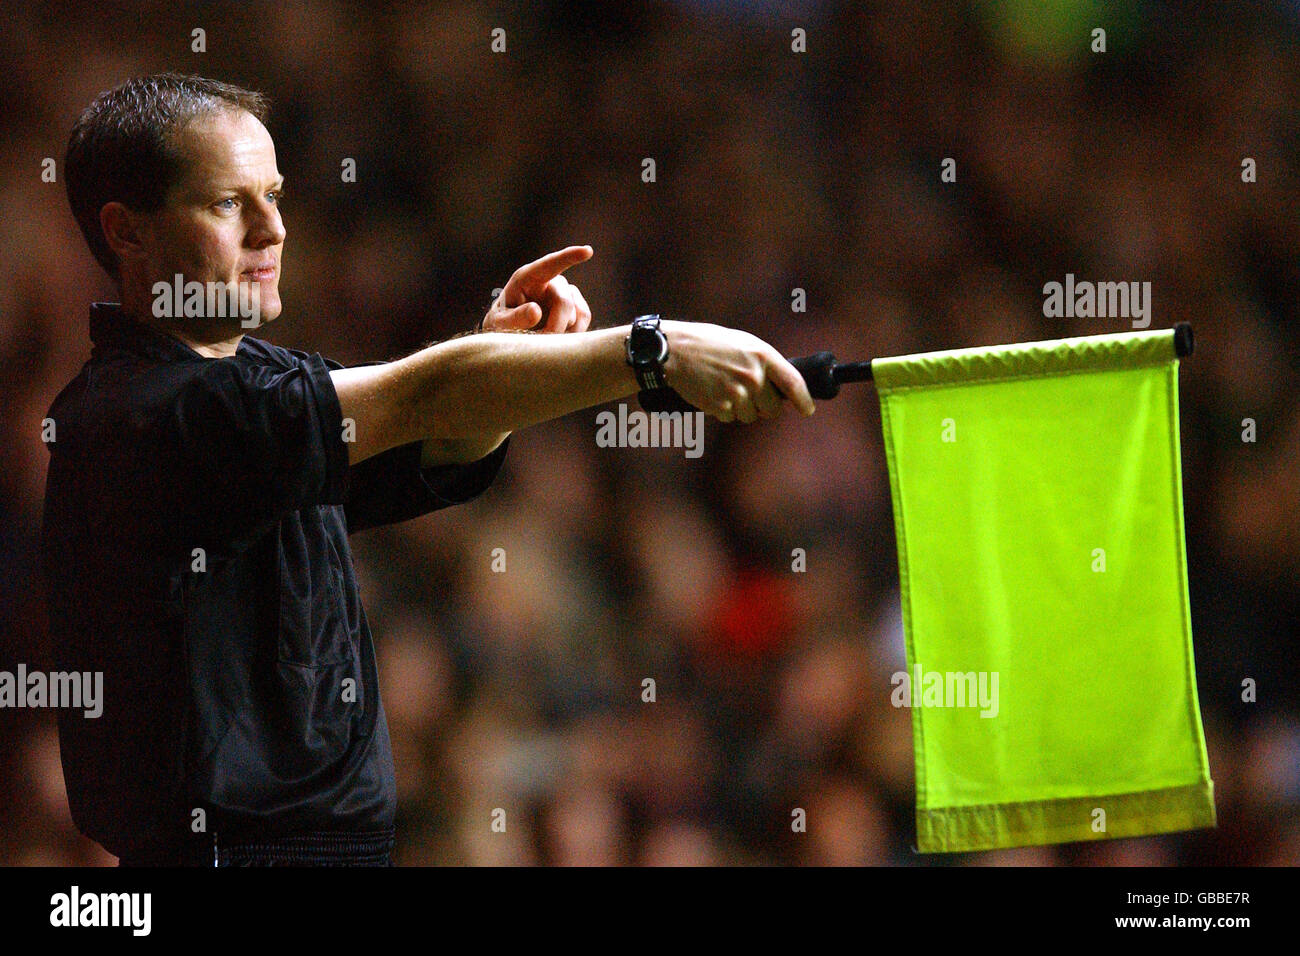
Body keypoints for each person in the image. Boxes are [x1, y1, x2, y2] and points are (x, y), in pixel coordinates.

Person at [42, 73, 815, 866]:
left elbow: (437, 439)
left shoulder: (254, 383)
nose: (272, 229)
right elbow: (425, 395)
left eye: (272, 196)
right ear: (126, 232)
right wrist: (653, 350)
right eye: (227, 204)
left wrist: (507, 365)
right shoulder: (144, 416)